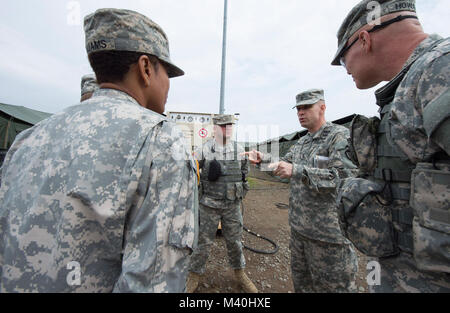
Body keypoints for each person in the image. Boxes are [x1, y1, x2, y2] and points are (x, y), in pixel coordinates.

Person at [0, 8, 198, 293]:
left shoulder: (28, 138)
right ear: (145, 68)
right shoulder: (160, 140)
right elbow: (153, 282)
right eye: (166, 71)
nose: (168, 84)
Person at [332, 0, 450, 292]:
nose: (345, 69)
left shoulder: (439, 69)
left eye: (344, 59)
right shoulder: (413, 82)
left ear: (364, 39)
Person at [245, 89, 359, 293]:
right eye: (298, 109)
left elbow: (346, 178)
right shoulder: (303, 142)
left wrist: (297, 170)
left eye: (306, 107)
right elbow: (283, 167)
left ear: (322, 107)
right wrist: (263, 160)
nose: (301, 112)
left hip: (329, 237)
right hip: (300, 232)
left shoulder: (338, 137)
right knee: (303, 286)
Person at [186, 115, 257, 293]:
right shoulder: (204, 149)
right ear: (215, 128)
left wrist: (239, 193)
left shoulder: (239, 150)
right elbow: (191, 171)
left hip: (232, 206)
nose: (228, 128)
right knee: (203, 242)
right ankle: (194, 274)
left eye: (230, 125)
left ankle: (240, 273)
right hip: (208, 206)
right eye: (223, 125)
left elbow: (243, 175)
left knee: (235, 241)